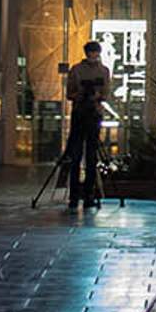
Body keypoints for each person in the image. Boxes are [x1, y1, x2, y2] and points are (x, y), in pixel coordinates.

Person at [62, 40, 113, 209]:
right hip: (79, 113)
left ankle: (89, 194)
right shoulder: (76, 70)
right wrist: (80, 94)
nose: (93, 55)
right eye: (91, 52)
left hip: (94, 114)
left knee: (91, 156)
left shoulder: (103, 71)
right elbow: (70, 93)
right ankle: (74, 195)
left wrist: (97, 96)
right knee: (76, 156)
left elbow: (106, 93)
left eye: (95, 52)